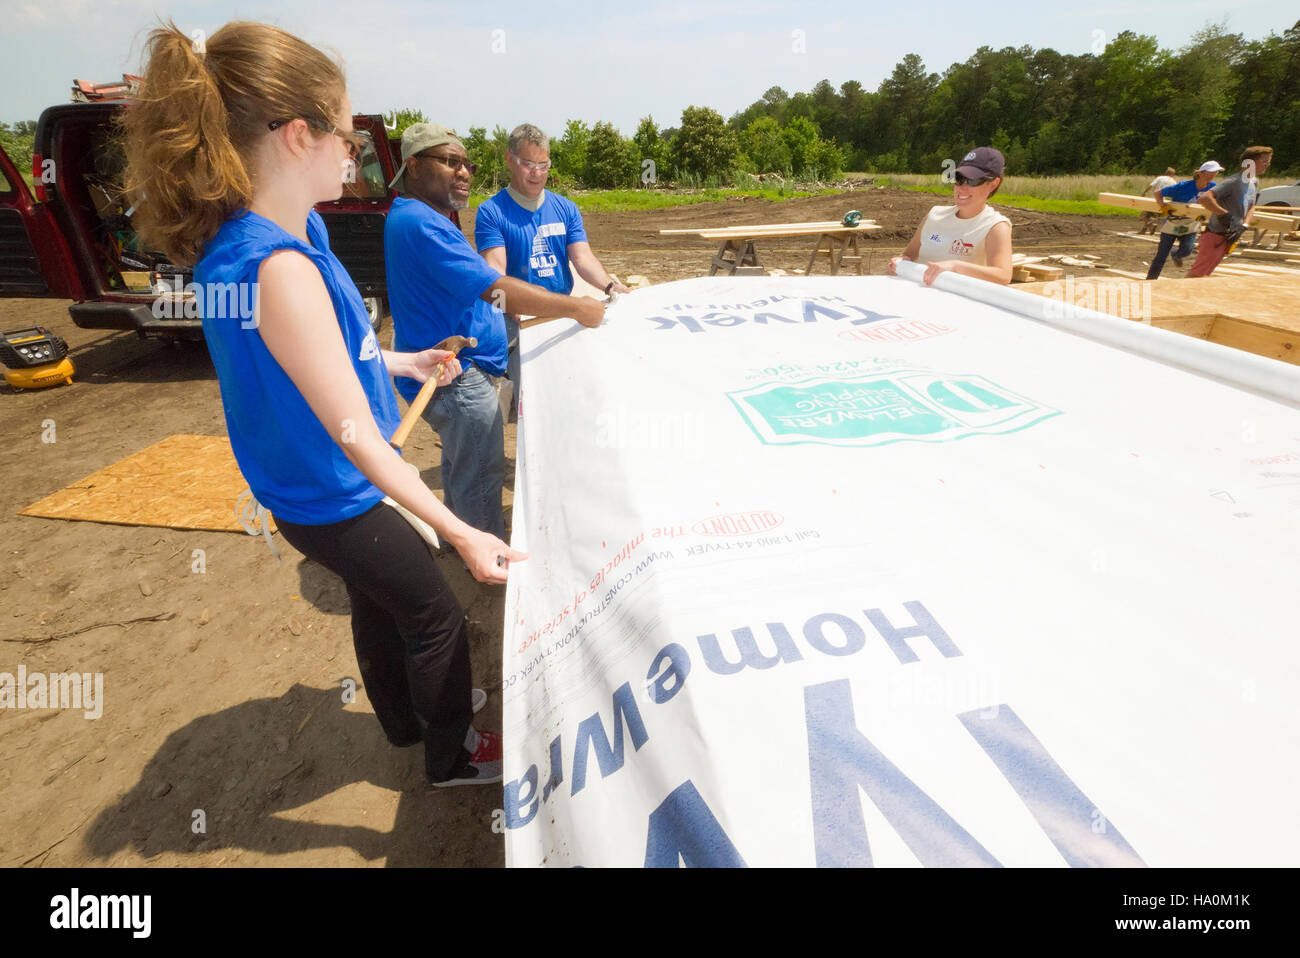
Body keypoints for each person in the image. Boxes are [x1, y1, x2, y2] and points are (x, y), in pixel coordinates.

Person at [121, 21, 524, 787]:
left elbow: (325, 358)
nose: (355, 152)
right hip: (334, 494)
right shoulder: (278, 268)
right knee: (433, 612)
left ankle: (406, 723)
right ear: (299, 134)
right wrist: (461, 531)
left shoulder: (275, 230)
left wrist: (405, 359)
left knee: (378, 601)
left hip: (308, 488)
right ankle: (452, 756)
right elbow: (358, 440)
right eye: (346, 134)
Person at [385, 123, 604, 540]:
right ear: (413, 166)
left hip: (457, 370)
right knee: (483, 474)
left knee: (461, 464)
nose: (464, 172)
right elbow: (493, 284)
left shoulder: (420, 217)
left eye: (466, 163)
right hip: (455, 378)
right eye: (450, 162)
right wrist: (576, 307)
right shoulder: (423, 224)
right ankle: (486, 554)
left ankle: (457, 534)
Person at [474, 123, 629, 388]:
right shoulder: (492, 213)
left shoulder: (565, 208)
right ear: (510, 159)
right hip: (520, 321)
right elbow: (495, 274)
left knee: (574, 387)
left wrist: (610, 285)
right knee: (536, 400)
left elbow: (583, 259)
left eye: (543, 164)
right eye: (528, 164)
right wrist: (508, 305)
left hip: (563, 311)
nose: (537, 173)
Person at [887, 147, 1013, 286]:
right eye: (959, 179)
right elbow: (908, 256)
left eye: (972, 181)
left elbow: (1003, 275)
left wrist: (956, 267)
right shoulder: (934, 215)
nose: (962, 188)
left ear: (993, 184)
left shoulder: (995, 226)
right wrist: (899, 262)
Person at [1188, 146, 1275, 278]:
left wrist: (1244, 225)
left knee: (1205, 274)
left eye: (1268, 161)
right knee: (1197, 275)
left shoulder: (1254, 182)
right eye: (1264, 161)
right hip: (1215, 236)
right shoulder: (1234, 181)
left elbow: (1252, 206)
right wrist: (1223, 215)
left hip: (1228, 237)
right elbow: (1205, 198)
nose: (1268, 164)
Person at [1145, 161, 1222, 280]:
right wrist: (1164, 207)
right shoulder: (1183, 186)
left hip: (1192, 223)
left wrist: (1206, 214)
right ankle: (1151, 279)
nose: (1214, 174)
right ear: (1201, 173)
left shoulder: (1213, 187)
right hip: (1173, 222)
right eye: (1211, 172)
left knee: (1187, 250)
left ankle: (1176, 255)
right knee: (1161, 255)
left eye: (1216, 172)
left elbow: (1217, 202)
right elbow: (1157, 193)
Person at [1140, 167, 1178, 234]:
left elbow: (1151, 186)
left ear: (1166, 173)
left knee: (1144, 215)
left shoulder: (1160, 178)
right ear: (1172, 174)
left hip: (1154, 200)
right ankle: (1144, 230)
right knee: (1151, 215)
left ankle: (1151, 225)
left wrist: (1144, 192)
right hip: (1163, 203)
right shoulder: (1174, 182)